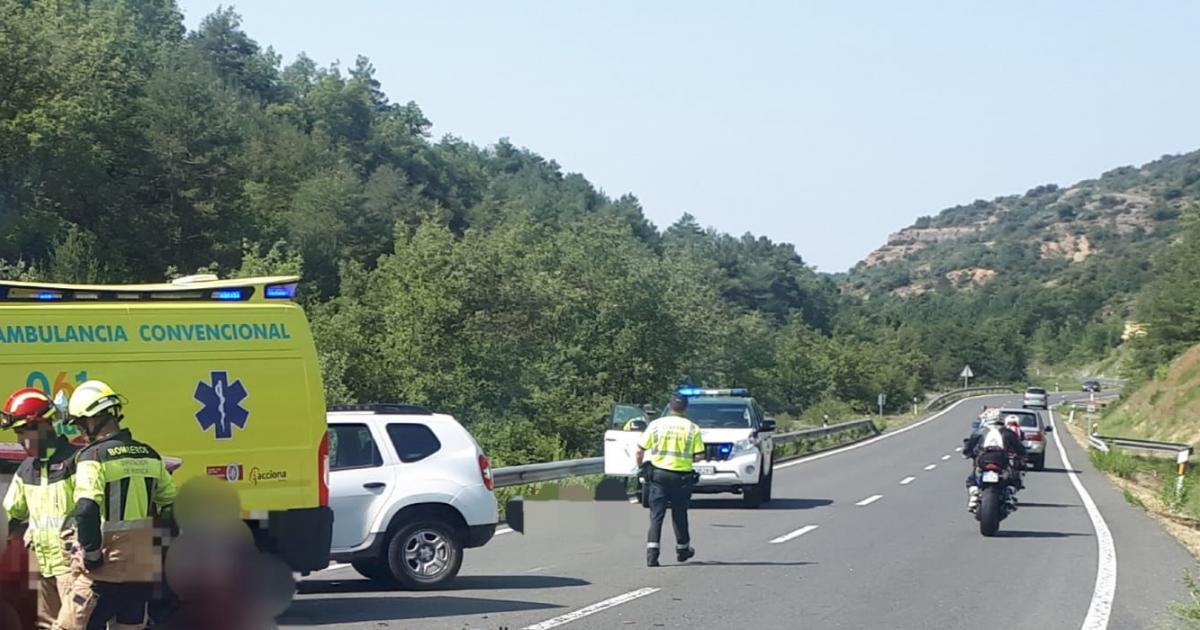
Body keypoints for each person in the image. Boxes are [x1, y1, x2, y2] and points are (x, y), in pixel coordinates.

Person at [55, 380, 178, 630]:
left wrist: (91, 555)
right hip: (140, 575)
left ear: (92, 419)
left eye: (80, 424)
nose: (80, 431)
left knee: (68, 625)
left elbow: (85, 510)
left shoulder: (93, 457)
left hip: (102, 574)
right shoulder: (150, 455)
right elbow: (173, 507)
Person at [1, 388, 77, 629]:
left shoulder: (76, 463)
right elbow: (10, 514)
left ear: (43, 426)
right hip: (43, 569)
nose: (19, 440)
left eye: (23, 432)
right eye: (17, 433)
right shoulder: (27, 469)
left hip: (74, 570)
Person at [635, 394, 705, 567]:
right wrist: (687, 459)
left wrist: (641, 468)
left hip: (659, 476)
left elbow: (639, 451)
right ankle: (683, 550)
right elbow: (699, 456)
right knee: (679, 514)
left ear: (669, 406)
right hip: (681, 477)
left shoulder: (656, 425)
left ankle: (652, 555)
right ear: (686, 409)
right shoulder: (692, 428)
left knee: (656, 516)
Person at [962, 413, 1026, 512]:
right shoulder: (1008, 432)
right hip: (1001, 459)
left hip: (983, 459)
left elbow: (969, 446)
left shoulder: (980, 431)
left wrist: (968, 453)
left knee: (972, 479)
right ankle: (1009, 494)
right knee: (1013, 478)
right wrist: (1022, 457)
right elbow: (1020, 448)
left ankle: (974, 495)